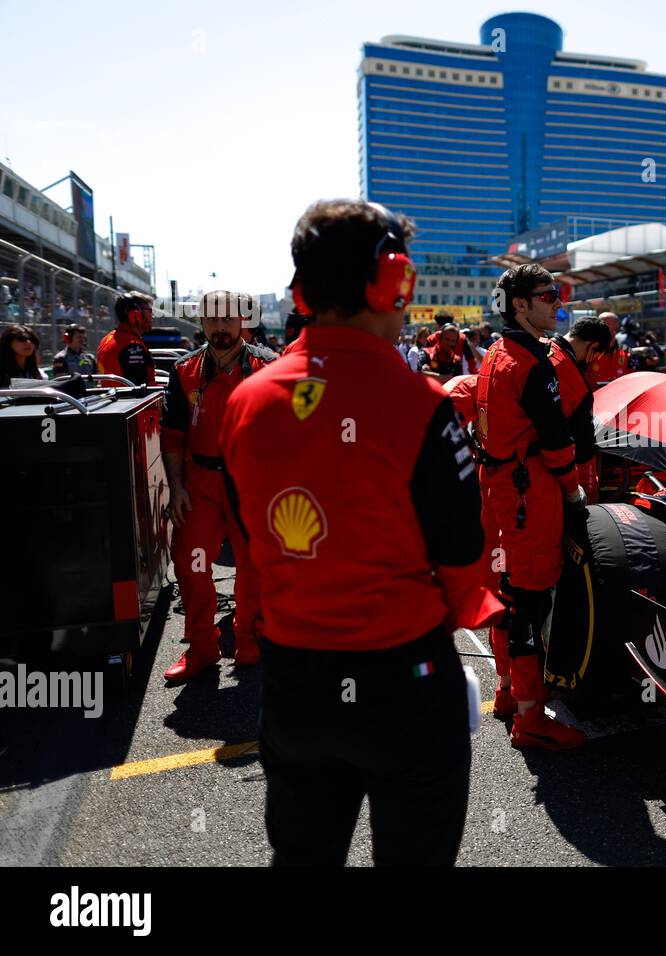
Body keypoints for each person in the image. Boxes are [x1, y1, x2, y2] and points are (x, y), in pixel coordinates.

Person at [222, 199, 498, 865]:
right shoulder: (421, 406)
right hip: (404, 678)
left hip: (293, 682)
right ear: (391, 282)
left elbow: (248, 539)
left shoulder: (245, 400)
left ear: (302, 289)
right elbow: (463, 557)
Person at [476, 263, 587, 750]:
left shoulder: (496, 353)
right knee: (531, 599)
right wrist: (574, 493)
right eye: (548, 295)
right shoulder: (532, 363)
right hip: (529, 493)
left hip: (500, 487)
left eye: (557, 294)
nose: (556, 303)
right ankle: (530, 717)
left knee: (508, 589)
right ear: (519, 304)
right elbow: (558, 442)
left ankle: (506, 693)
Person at [161, 291, 278, 682]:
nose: (220, 326)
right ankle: (202, 648)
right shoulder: (183, 370)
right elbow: (174, 434)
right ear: (202, 322)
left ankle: (249, 641)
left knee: (252, 567)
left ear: (241, 320)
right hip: (200, 484)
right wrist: (176, 488)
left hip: (252, 484)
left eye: (228, 318)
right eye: (212, 319)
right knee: (192, 565)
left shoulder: (268, 366)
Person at [550, 316, 612, 502]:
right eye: (596, 355)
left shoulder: (536, 348)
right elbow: (584, 448)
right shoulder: (574, 380)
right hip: (548, 475)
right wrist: (589, 495)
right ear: (593, 347)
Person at [97, 292, 157, 386]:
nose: (152, 316)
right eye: (150, 311)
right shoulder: (132, 346)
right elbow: (141, 389)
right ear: (136, 314)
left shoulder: (107, 339)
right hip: (130, 399)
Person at [583, 312, 629, 388]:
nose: (610, 334)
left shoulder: (626, 352)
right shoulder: (587, 351)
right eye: (607, 329)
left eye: (613, 329)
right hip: (594, 397)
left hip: (617, 397)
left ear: (617, 327)